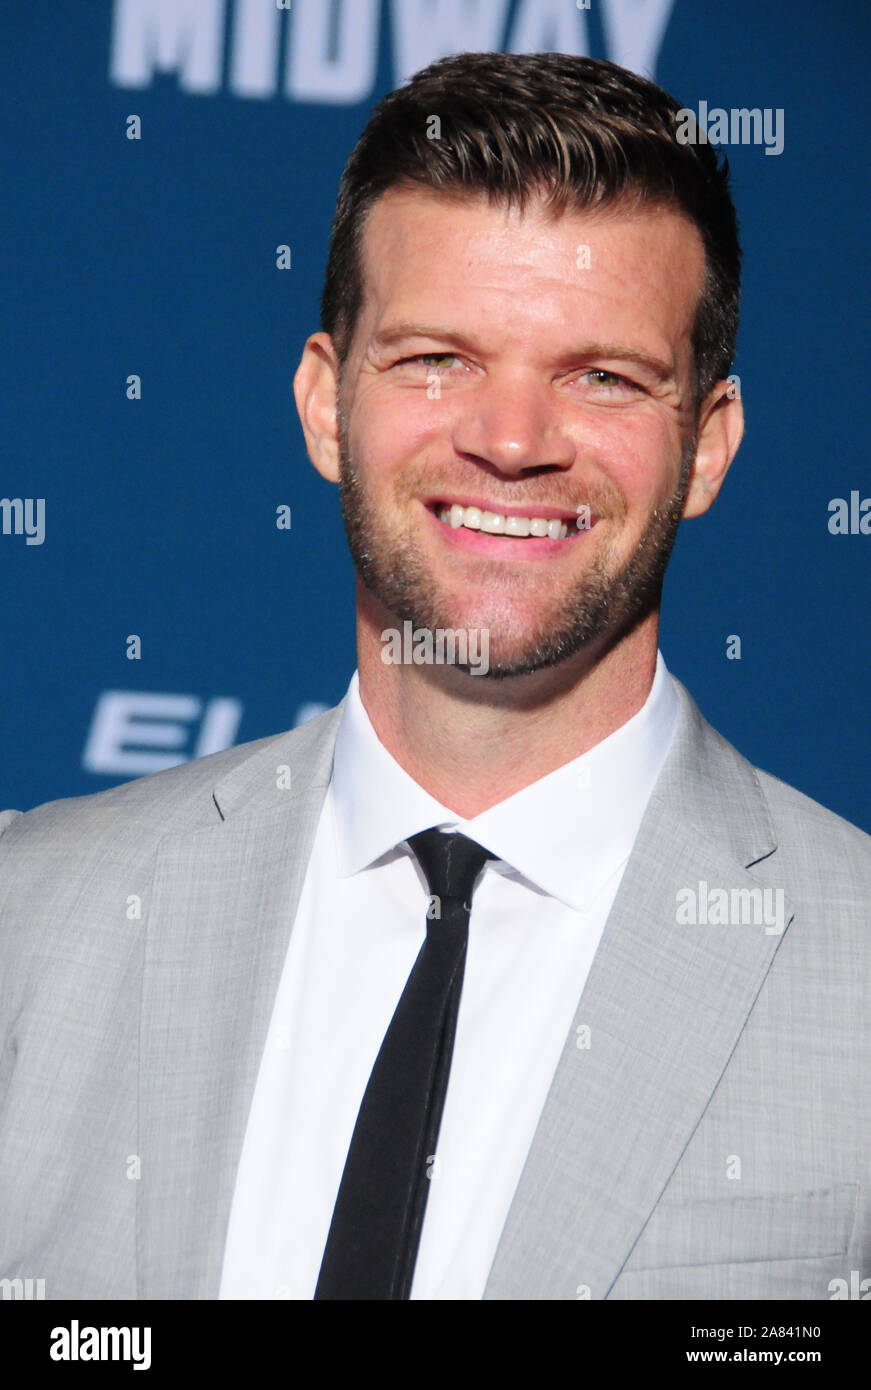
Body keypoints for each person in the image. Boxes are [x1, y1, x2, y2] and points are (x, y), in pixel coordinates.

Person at [1, 51, 868, 1303]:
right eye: (434, 360)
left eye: (602, 376)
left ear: (707, 446)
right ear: (323, 406)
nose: (510, 442)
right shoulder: (38, 917)